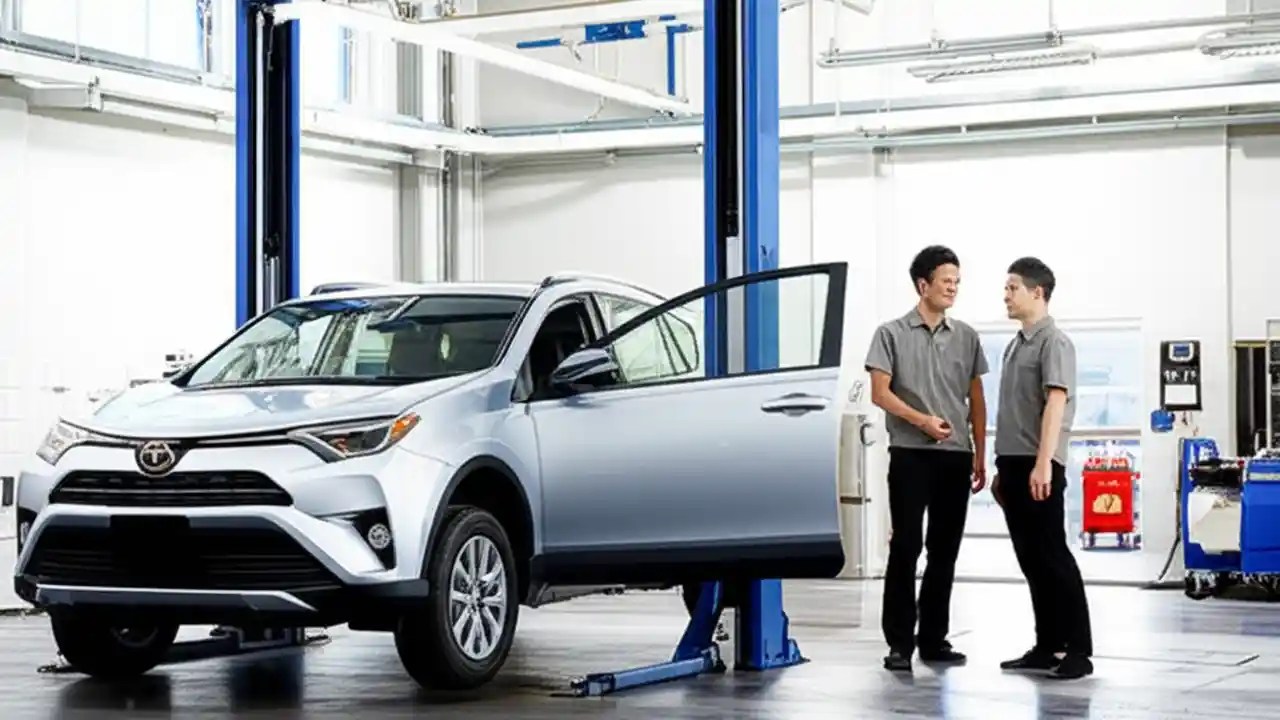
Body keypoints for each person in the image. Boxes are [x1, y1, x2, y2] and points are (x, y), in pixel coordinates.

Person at [864, 245, 988, 672]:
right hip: (911, 455)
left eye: (957, 282)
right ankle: (899, 644)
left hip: (956, 457)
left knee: (945, 551)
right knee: (906, 547)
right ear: (923, 285)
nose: (953, 288)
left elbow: (976, 399)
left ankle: (934, 640)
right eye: (946, 281)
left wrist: (980, 454)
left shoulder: (968, 337)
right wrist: (921, 421)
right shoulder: (890, 333)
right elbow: (880, 394)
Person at [992, 256, 1094, 680]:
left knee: (1053, 556)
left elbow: (1055, 404)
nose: (1006, 295)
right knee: (1031, 559)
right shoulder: (1018, 342)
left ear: (1038, 292)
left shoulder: (1055, 342)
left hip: (1040, 465)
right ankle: (1047, 644)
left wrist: (1043, 465)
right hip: (1014, 465)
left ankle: (1079, 650)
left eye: (1013, 287)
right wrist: (1004, 469)